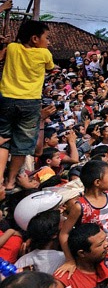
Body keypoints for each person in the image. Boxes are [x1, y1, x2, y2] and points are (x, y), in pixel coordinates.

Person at [0, 20, 56, 189]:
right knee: (22, 144)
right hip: (30, 102)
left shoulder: (12, 48)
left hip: (6, 99)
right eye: (46, 38)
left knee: (3, 139)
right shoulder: (45, 54)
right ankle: (10, 181)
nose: (48, 42)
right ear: (34, 39)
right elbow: (50, 68)